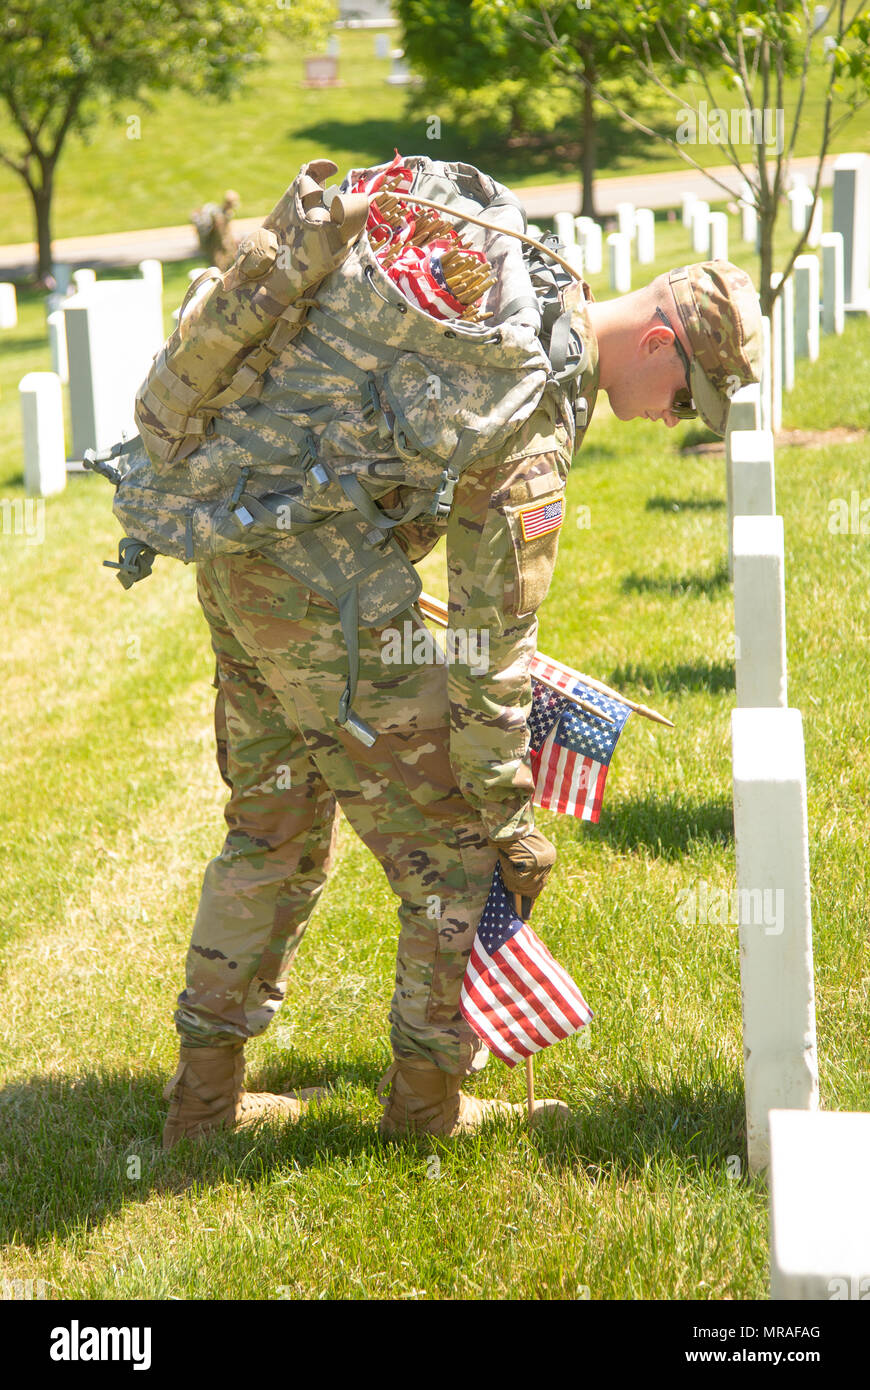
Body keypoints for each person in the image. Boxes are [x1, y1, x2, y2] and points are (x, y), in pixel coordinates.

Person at [160, 176, 762, 1147]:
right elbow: (491, 647)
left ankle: (202, 1107)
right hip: (323, 582)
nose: (672, 421)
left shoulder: (515, 274)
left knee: (271, 823)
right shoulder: (532, 409)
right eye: (685, 400)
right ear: (661, 344)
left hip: (237, 528)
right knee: (454, 851)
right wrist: (511, 819)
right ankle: (426, 1114)